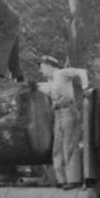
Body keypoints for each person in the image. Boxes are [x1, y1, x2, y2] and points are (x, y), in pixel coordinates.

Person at [38, 55, 90, 187]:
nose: (41, 70)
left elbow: (81, 72)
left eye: (42, 67)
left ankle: (73, 179)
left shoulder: (62, 73)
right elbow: (42, 87)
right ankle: (61, 180)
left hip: (68, 111)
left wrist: (85, 88)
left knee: (69, 145)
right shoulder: (51, 81)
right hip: (58, 113)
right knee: (57, 147)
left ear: (49, 66)